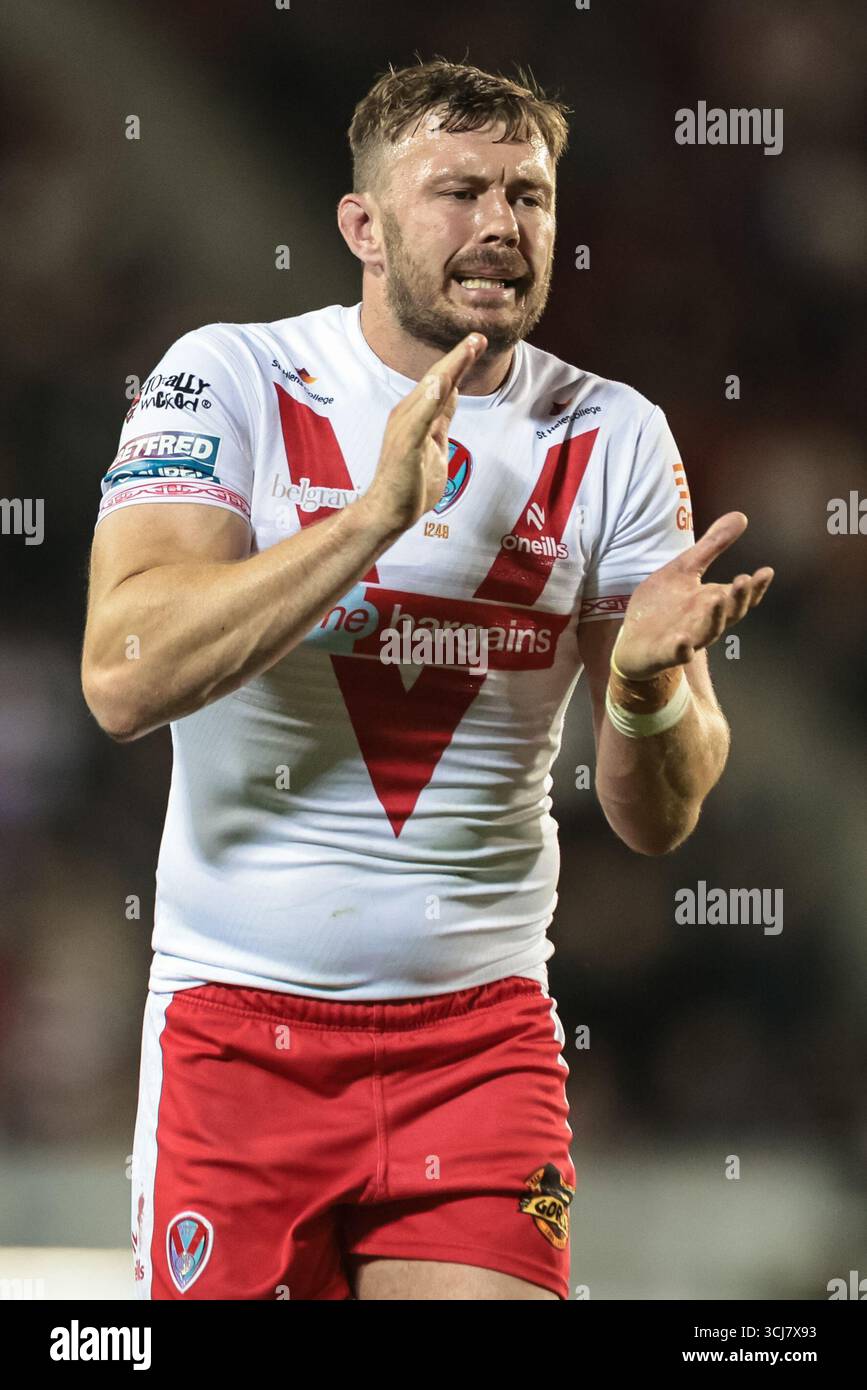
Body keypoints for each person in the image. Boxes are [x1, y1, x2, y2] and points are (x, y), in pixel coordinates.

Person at [81, 58, 773, 1301]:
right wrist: (368, 520)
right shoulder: (229, 377)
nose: (503, 227)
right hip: (239, 1037)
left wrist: (644, 691)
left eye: (531, 195)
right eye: (459, 191)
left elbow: (654, 815)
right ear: (362, 225)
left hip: (483, 1040)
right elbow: (123, 677)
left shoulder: (612, 435)